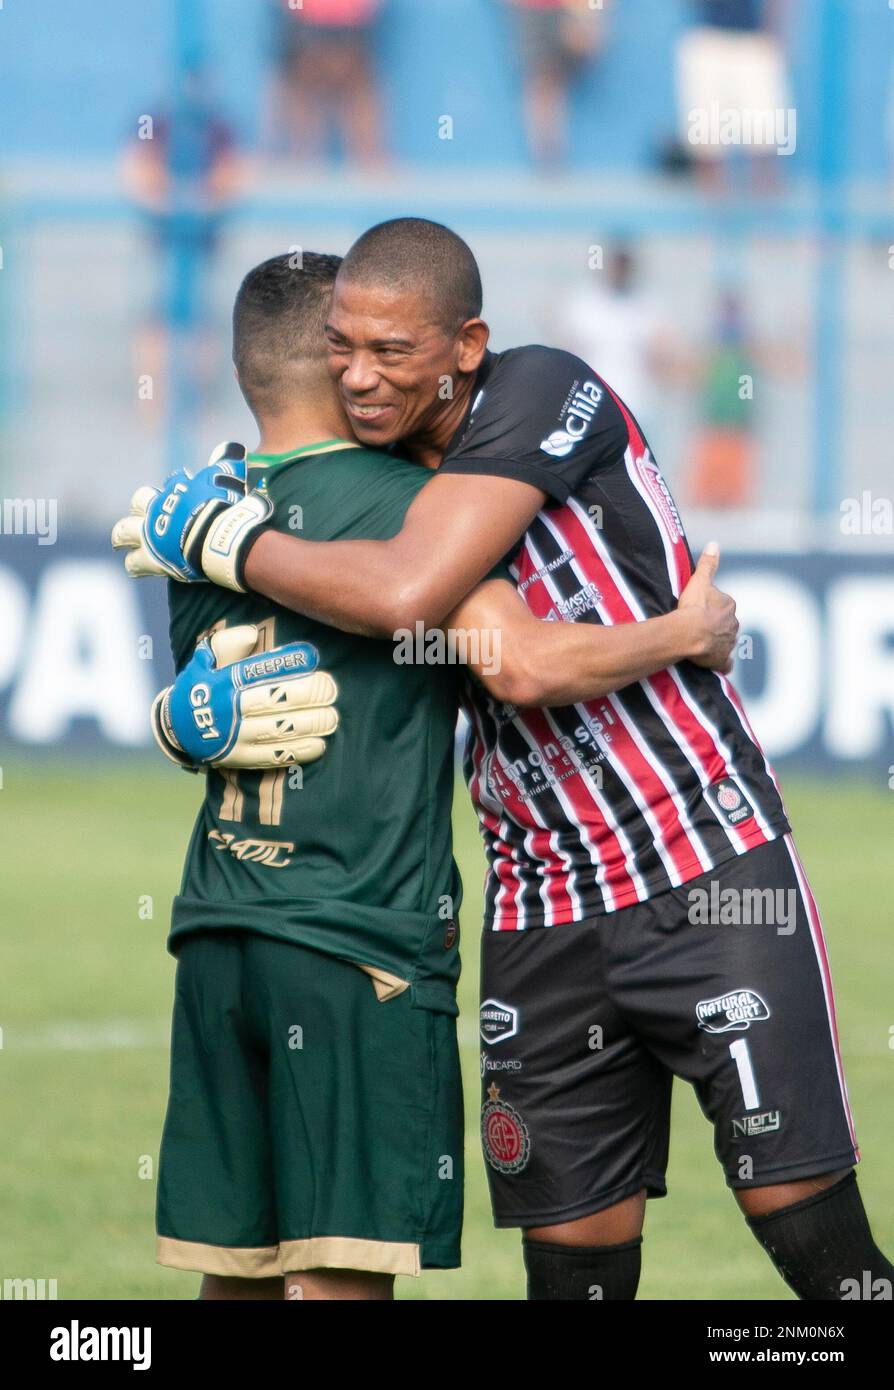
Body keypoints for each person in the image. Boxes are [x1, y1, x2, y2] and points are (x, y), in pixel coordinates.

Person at [116, 218, 893, 1302]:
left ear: (466, 345)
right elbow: (291, 645)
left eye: (392, 353)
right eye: (342, 347)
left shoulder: (539, 390)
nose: (359, 376)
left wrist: (227, 538)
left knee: (822, 1254)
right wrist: (177, 709)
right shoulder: (371, 477)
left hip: (703, 861)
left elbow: (438, 617)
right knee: (570, 1282)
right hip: (541, 912)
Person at [268, 0, 384, 165]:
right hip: (306, 30)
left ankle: (372, 161)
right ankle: (297, 158)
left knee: (361, 93)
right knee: (299, 93)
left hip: (352, 30)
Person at [504, 0, 609, 169]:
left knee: (549, 80)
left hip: (573, 9)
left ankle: (552, 163)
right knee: (541, 81)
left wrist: (592, 13)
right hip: (533, 8)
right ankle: (548, 162)